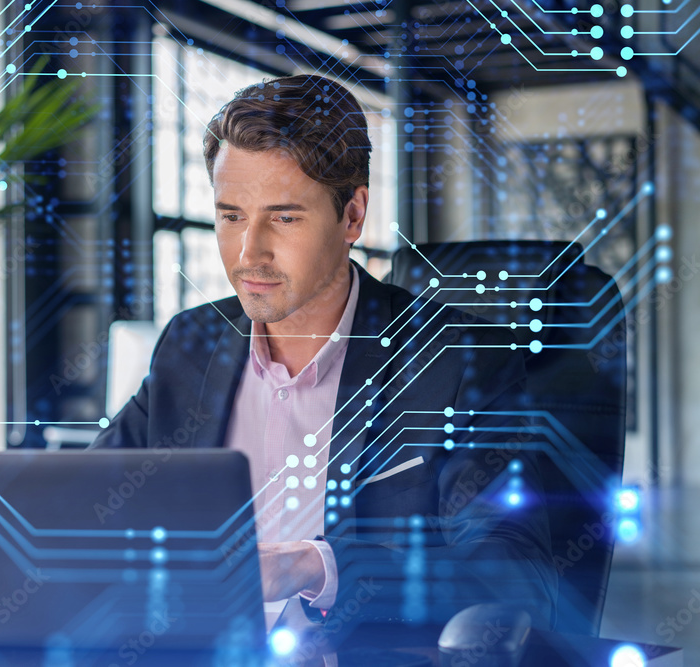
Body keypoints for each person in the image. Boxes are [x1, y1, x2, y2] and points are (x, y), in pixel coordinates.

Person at [92, 74, 557, 631]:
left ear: (353, 216)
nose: (248, 252)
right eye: (230, 215)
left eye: (284, 217)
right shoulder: (190, 342)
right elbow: (86, 503)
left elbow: (513, 572)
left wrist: (314, 567)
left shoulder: (458, 361)